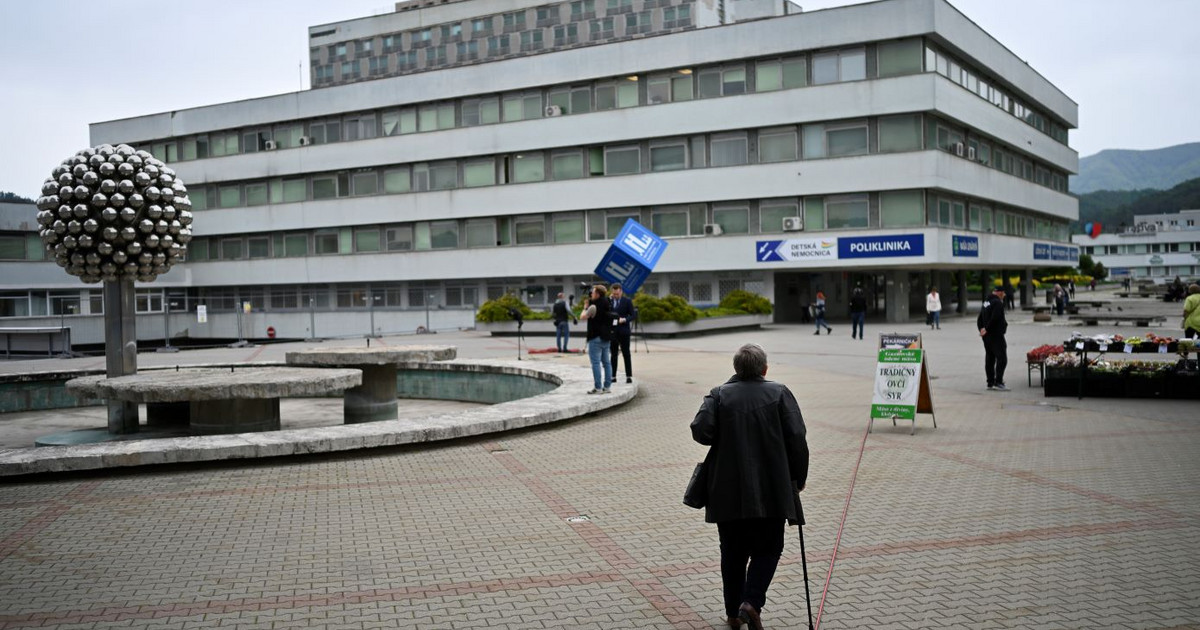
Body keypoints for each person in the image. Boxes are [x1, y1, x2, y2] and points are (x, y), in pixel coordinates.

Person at [690, 343, 809, 630]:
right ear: (765, 369)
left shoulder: (718, 395)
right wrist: (799, 479)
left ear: (735, 369)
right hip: (772, 487)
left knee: (732, 552)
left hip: (727, 489)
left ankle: (734, 614)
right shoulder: (780, 393)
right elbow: (798, 440)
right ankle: (751, 603)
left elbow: (700, 432)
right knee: (769, 548)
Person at [579, 284, 613, 394]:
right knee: (607, 363)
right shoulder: (608, 303)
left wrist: (585, 307)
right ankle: (607, 387)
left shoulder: (593, 306)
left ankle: (598, 388)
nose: (591, 294)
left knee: (596, 363)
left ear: (597, 294)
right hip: (606, 337)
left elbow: (583, 317)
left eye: (593, 292)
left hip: (595, 338)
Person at [978, 285, 1009, 391]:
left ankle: (990, 382)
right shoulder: (997, 303)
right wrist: (987, 329)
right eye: (1004, 293)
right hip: (996, 335)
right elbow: (995, 318)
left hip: (986, 337)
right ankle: (998, 382)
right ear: (1000, 292)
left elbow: (980, 318)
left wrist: (982, 329)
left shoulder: (986, 302)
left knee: (990, 358)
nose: (1004, 295)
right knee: (1002, 358)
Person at [609, 283, 636, 384]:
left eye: (617, 294)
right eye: (614, 294)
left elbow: (633, 315)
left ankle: (628, 376)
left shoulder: (627, 301)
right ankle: (613, 376)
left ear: (621, 291)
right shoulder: (610, 301)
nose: (615, 296)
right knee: (613, 354)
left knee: (626, 354)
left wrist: (624, 319)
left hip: (624, 331)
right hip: (613, 331)